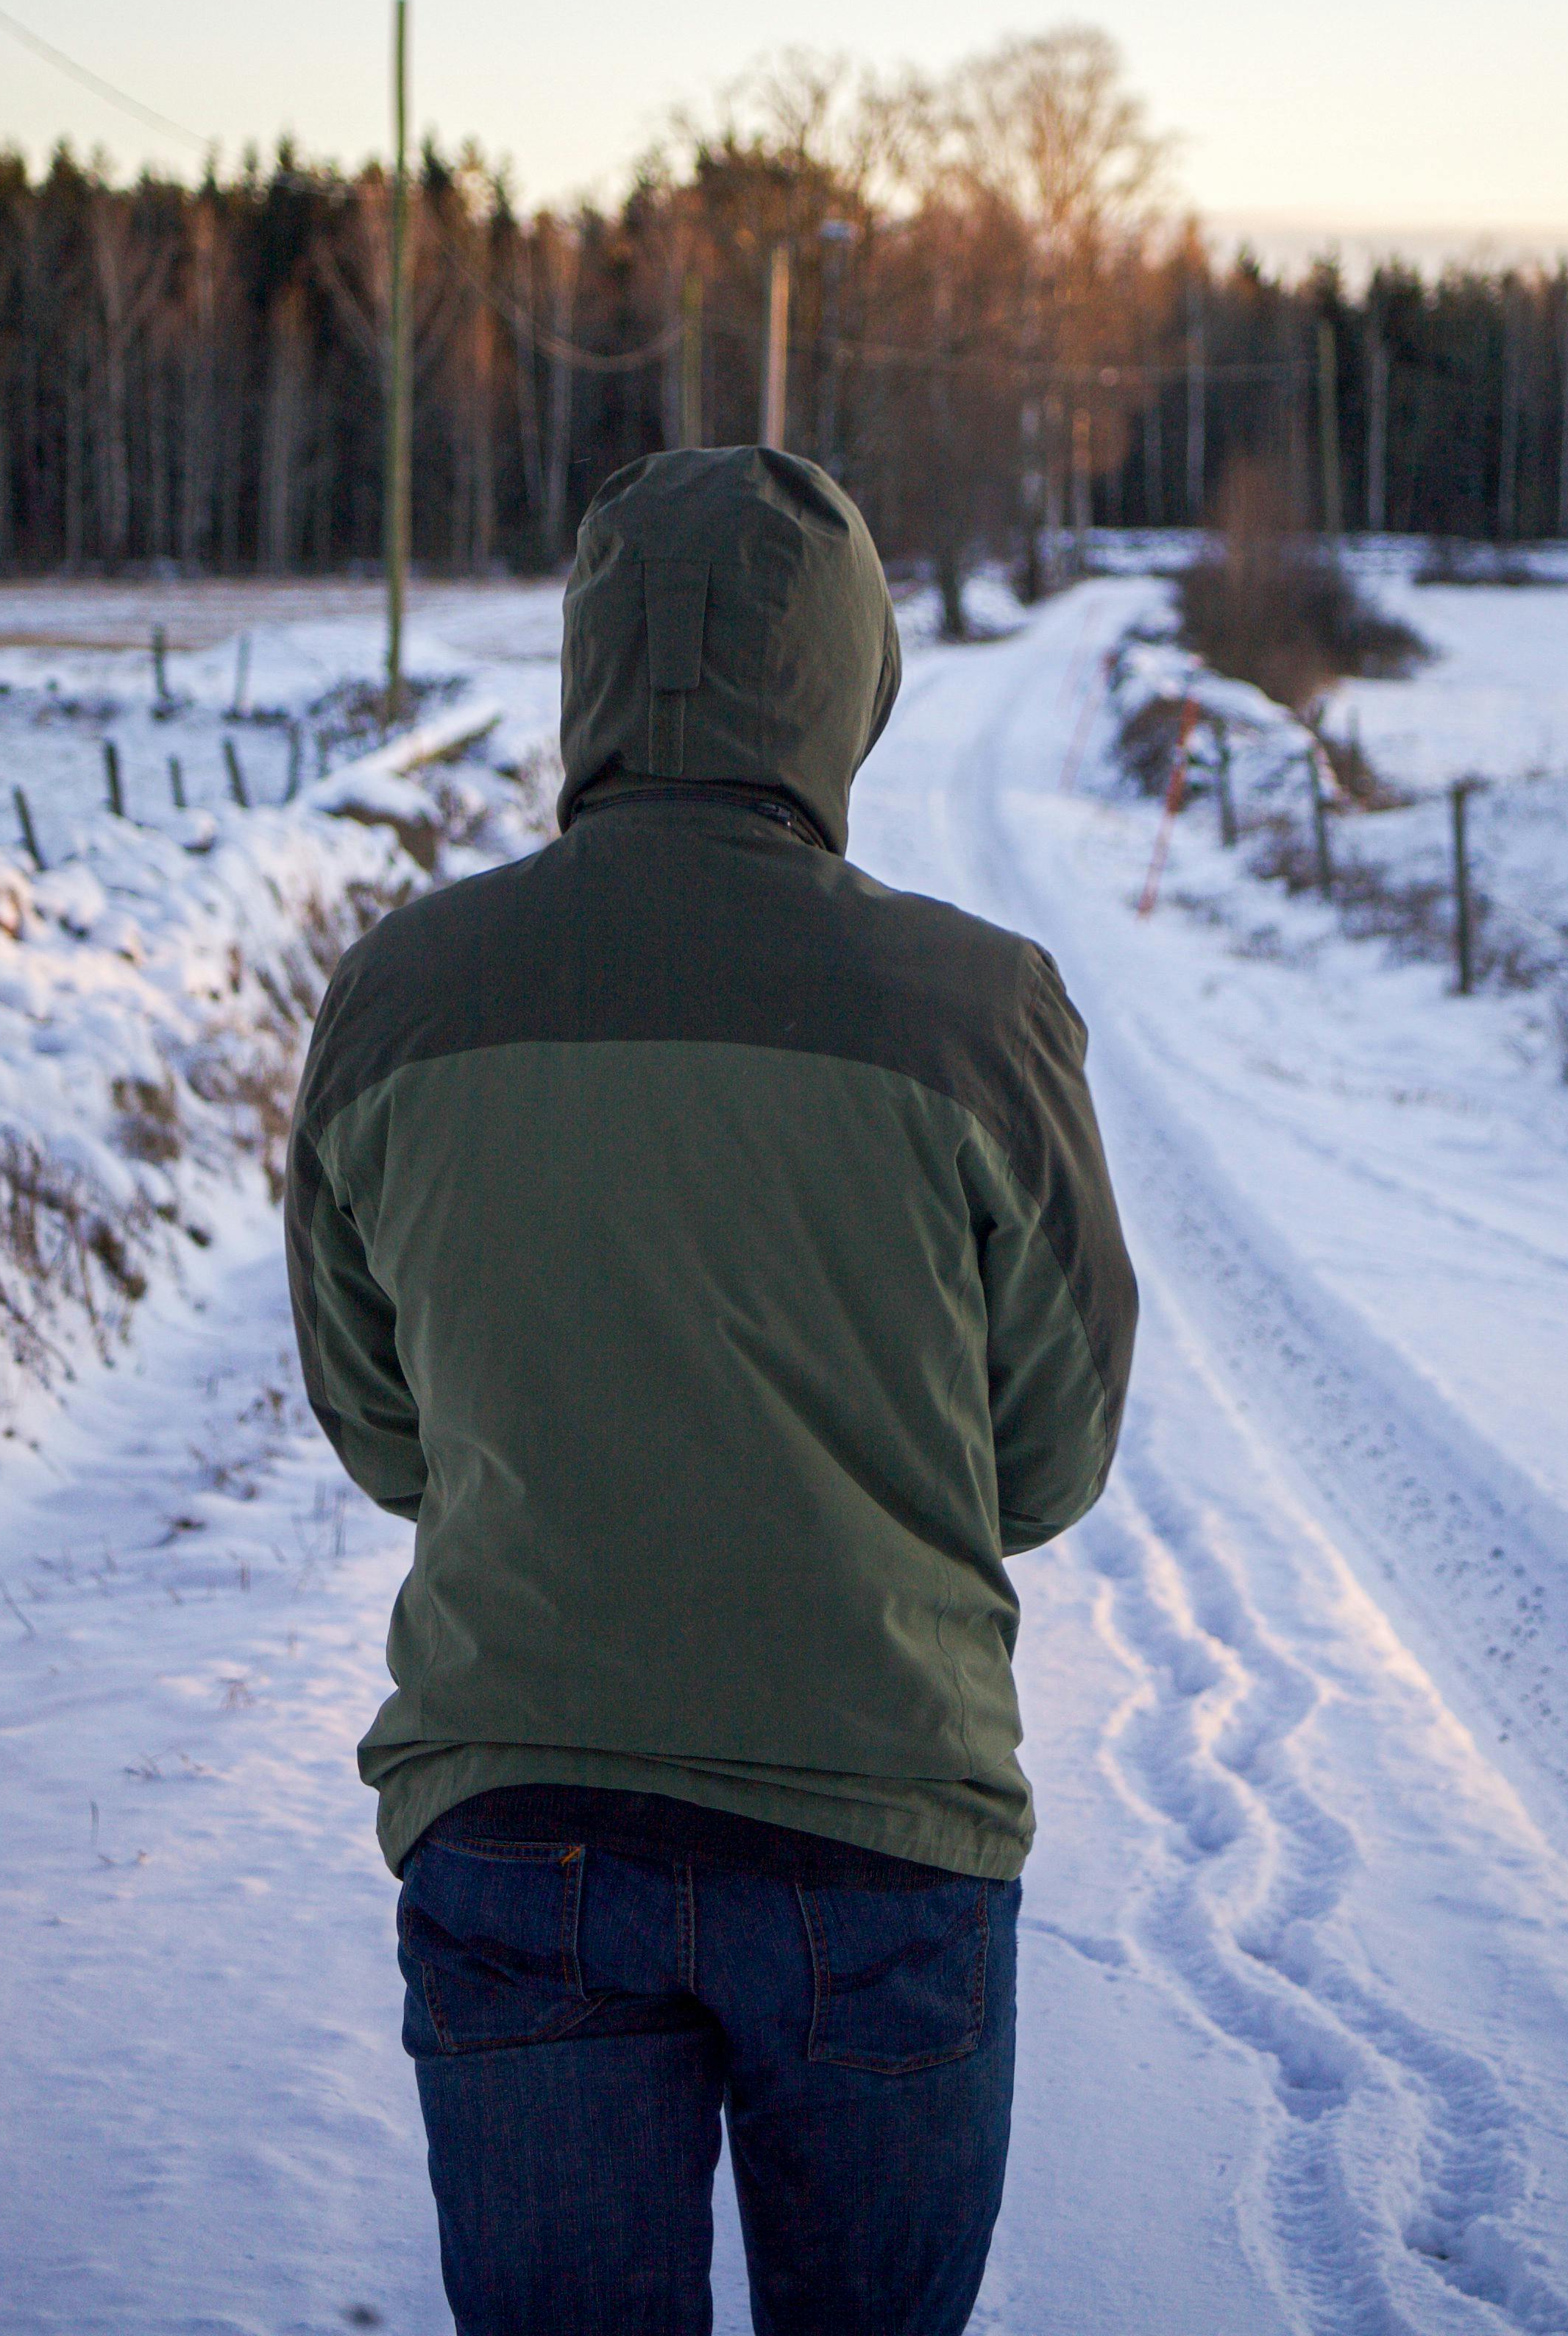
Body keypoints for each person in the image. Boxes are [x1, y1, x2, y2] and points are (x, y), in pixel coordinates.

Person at [287, 446, 1137, 2336]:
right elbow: (1055, 1452)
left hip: (515, 1827)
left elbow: (377, 1423)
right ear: (847, 684)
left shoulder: (401, 993)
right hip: (878, 1830)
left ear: (589, 677)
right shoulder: (980, 1012)